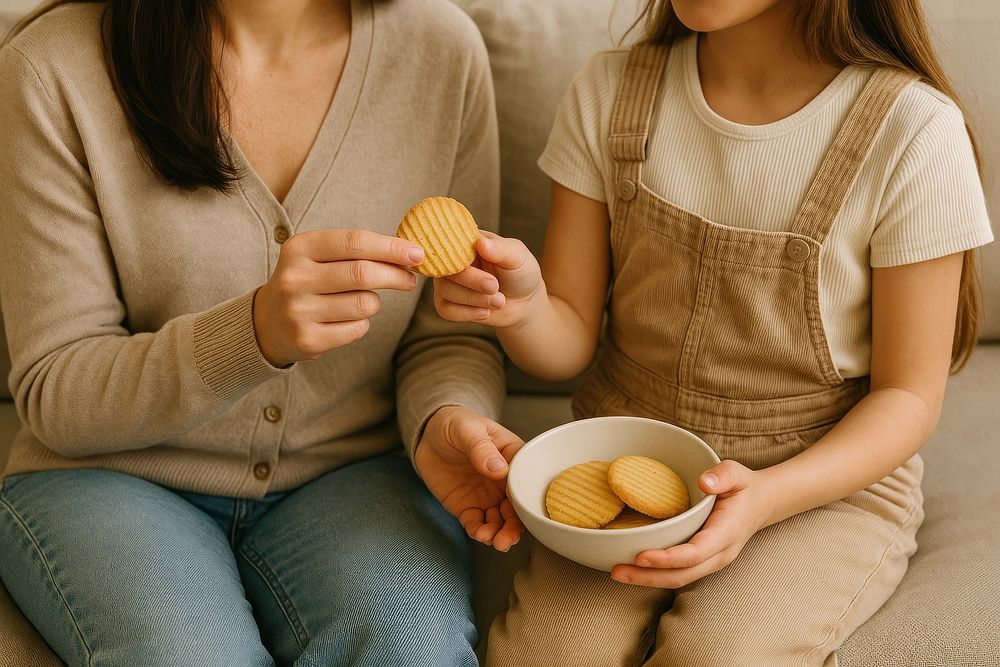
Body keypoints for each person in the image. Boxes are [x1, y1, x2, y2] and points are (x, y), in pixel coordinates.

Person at [433, 0, 993, 664]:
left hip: (817, 483)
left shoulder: (913, 131)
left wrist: (766, 497)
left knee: (720, 652)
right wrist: (523, 307)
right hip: (628, 466)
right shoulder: (609, 93)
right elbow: (569, 340)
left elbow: (908, 396)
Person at [0, 0, 525, 665]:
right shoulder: (49, 69)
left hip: (349, 476)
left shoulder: (441, 51)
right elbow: (55, 387)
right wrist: (251, 335)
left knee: (412, 647)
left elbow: (448, 333)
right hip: (110, 475)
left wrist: (447, 419)